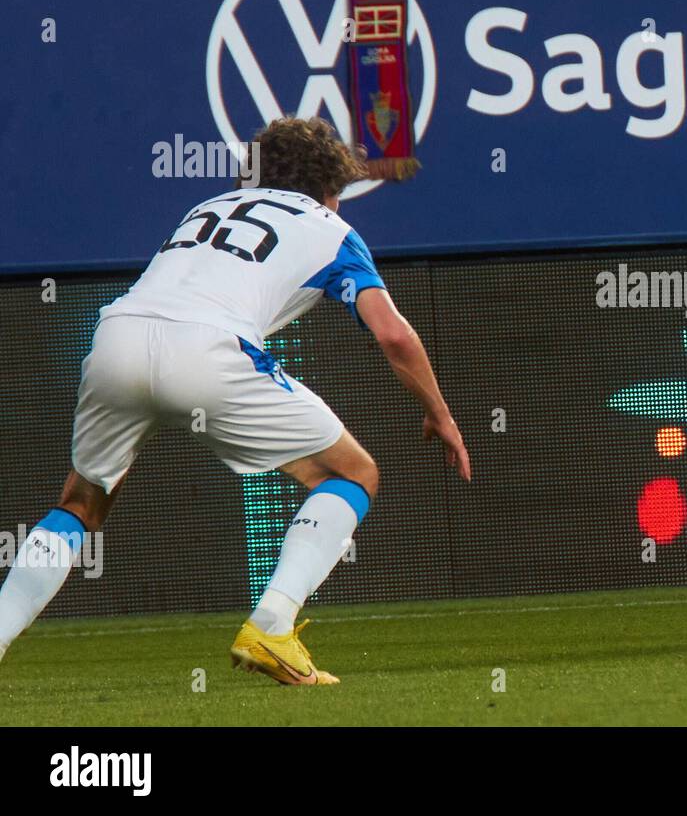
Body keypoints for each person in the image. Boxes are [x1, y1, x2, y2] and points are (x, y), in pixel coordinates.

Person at [0, 117, 471, 684]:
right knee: (352, 472)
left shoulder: (209, 206)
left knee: (79, 503)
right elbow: (393, 334)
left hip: (116, 338)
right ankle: (272, 624)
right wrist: (441, 414)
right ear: (330, 189)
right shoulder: (331, 230)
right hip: (209, 352)